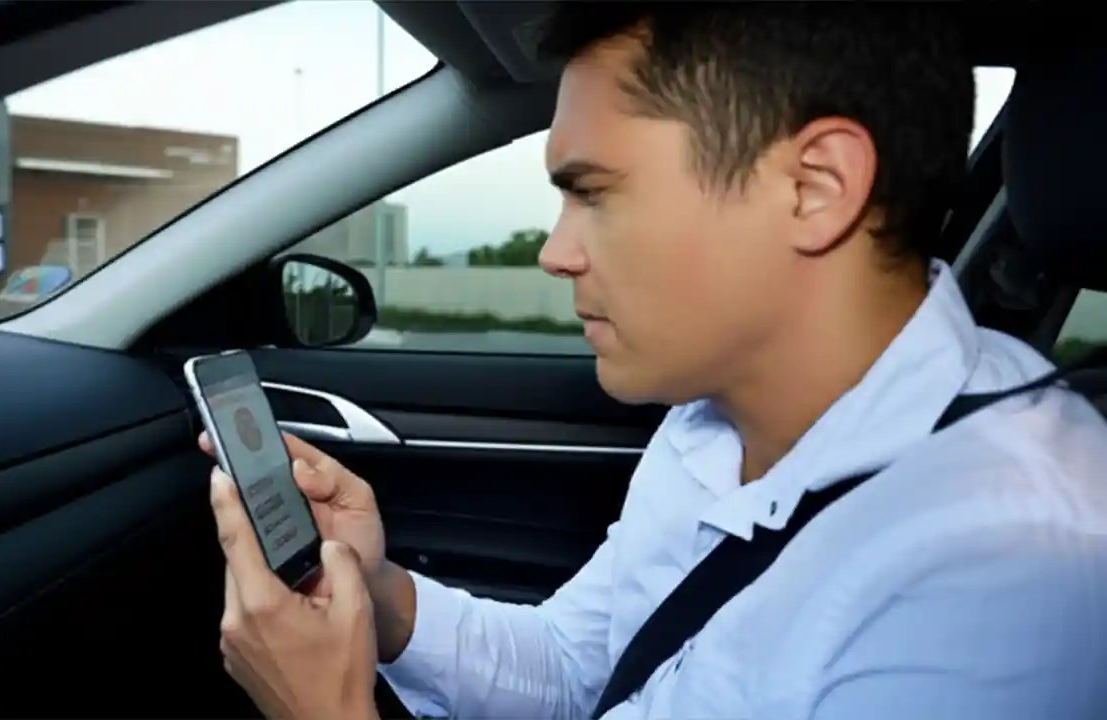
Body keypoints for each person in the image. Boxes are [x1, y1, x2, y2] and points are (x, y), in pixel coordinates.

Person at [204, 3, 1107, 719]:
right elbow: (582, 673)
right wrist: (381, 594)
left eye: (594, 192)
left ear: (815, 188)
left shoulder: (1014, 573)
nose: (554, 254)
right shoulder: (711, 425)